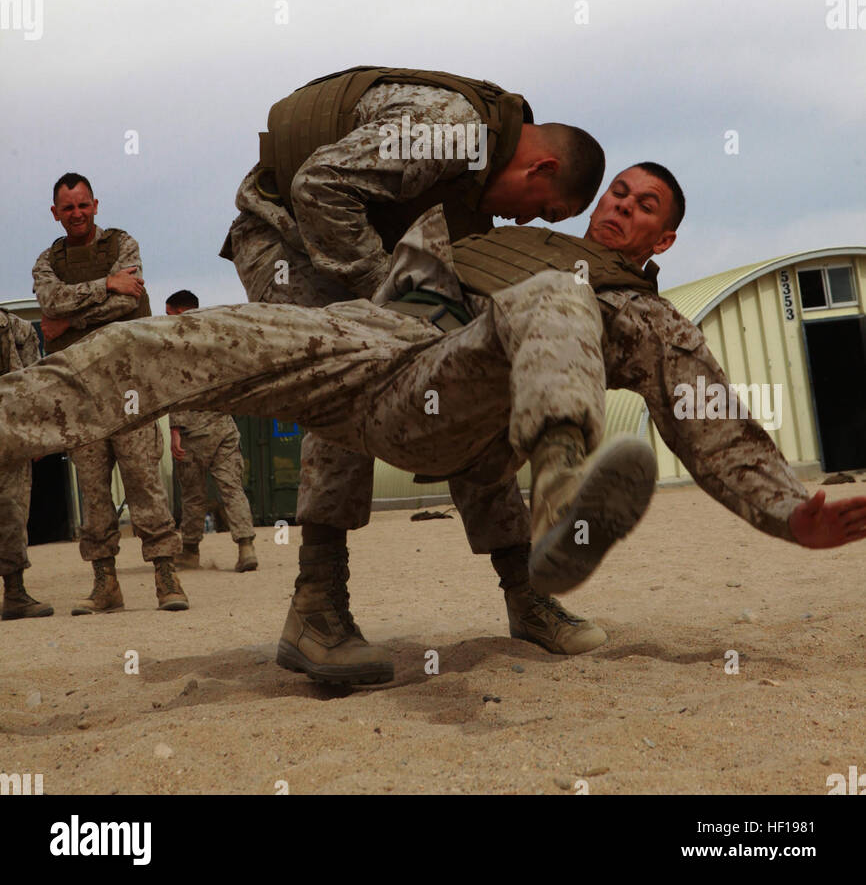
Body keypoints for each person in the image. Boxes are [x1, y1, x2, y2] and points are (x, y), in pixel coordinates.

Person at [5, 180, 866, 678]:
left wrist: (788, 511)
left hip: (461, 414)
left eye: (642, 208)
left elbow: (708, 416)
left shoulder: (639, 314)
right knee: (170, 339)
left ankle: (546, 536)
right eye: (616, 195)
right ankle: (317, 611)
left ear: (665, 238)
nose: (619, 210)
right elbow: (368, 204)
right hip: (376, 358)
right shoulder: (493, 240)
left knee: (549, 304)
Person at [221, 64, 608, 677]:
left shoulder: (478, 164)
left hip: (371, 241)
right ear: (542, 169)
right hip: (288, 240)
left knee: (474, 382)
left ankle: (524, 593)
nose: (525, 223)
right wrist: (389, 303)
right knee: (348, 371)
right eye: (544, 210)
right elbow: (319, 187)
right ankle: (317, 608)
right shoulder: (453, 131)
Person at [31, 173, 188, 614]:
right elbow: (50, 300)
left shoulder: (122, 245)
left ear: (96, 204)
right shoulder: (48, 261)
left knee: (144, 480)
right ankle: (105, 584)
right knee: (93, 490)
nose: (77, 214)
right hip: (81, 392)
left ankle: (166, 577)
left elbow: (130, 301)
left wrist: (69, 322)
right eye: (68, 208)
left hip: (128, 386)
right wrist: (104, 286)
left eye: (83, 205)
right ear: (55, 213)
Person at [166, 290, 257, 573]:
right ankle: (246, 548)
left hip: (193, 431)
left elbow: (176, 389)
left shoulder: (177, 344)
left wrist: (175, 432)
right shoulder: (216, 337)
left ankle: (190, 551)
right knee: (232, 489)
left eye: (169, 314)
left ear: (180, 312)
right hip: (224, 427)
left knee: (193, 496)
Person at [0, 309, 53, 620]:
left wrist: (36, 432)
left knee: (11, 509)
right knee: (10, 507)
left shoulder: (18, 329)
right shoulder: (17, 327)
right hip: (10, 430)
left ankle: (16, 592)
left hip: (9, 432)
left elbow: (34, 381)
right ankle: (16, 593)